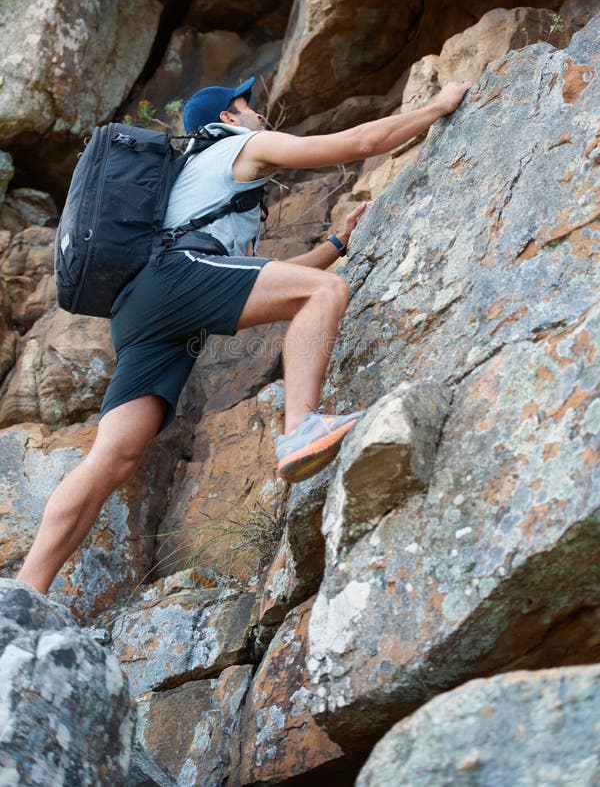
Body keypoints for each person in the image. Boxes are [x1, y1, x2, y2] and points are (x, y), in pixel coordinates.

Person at [17, 75, 469, 594]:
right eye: (249, 107)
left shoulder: (192, 179)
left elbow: (268, 280)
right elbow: (359, 144)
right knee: (325, 294)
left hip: (139, 309)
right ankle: (301, 426)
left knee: (113, 456)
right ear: (228, 118)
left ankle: (28, 587)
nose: (260, 116)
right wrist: (436, 106)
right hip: (175, 275)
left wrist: (337, 241)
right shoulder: (241, 144)